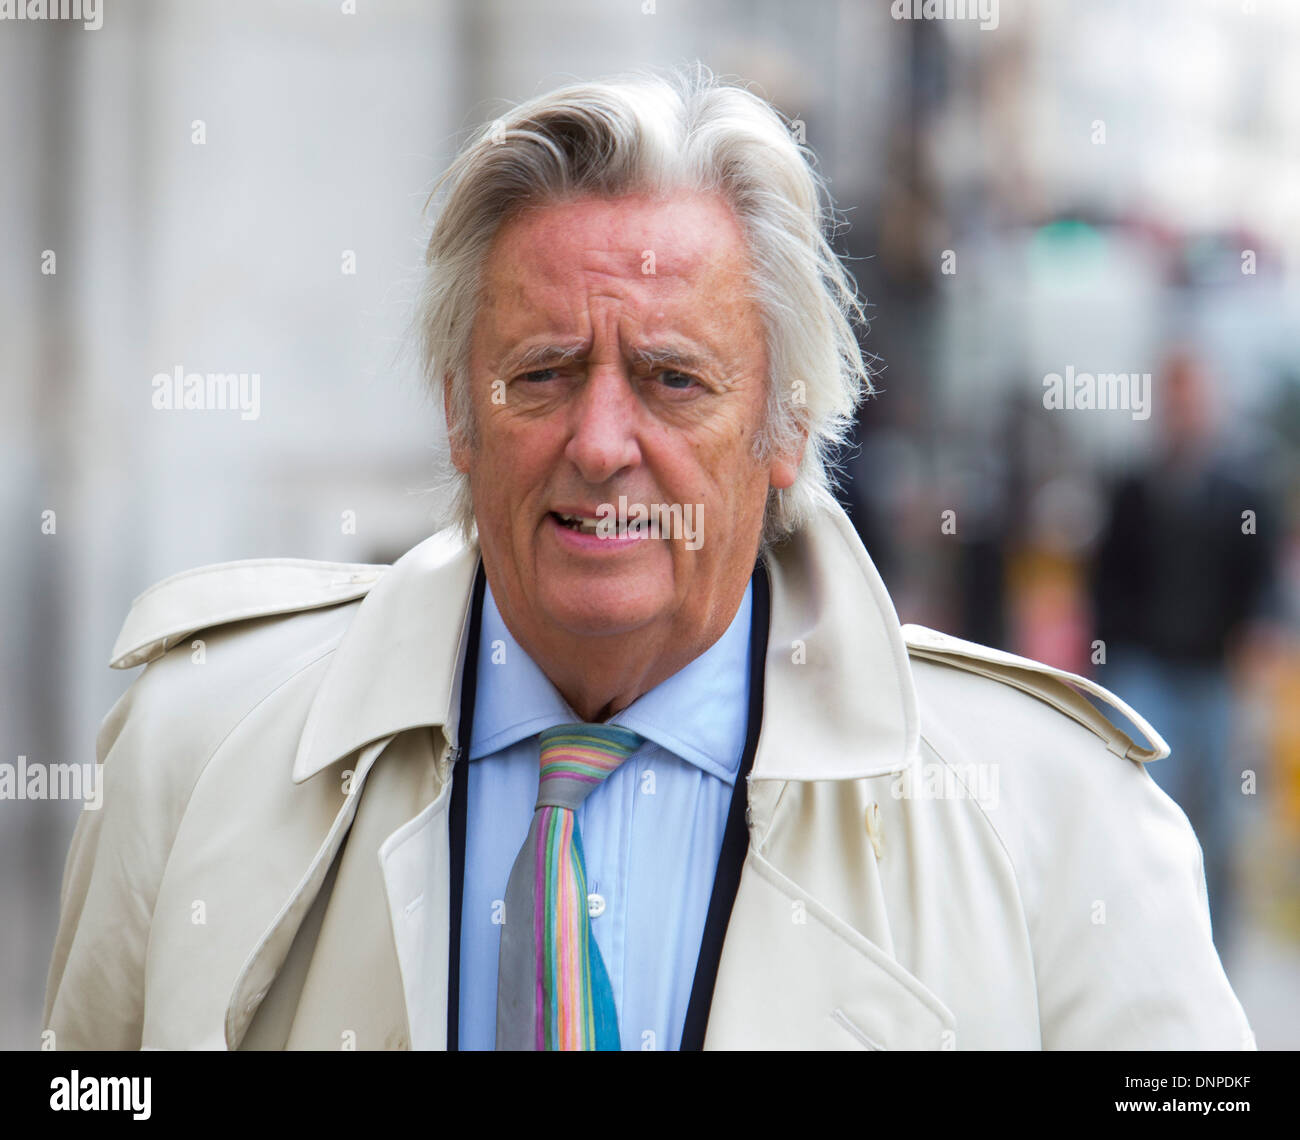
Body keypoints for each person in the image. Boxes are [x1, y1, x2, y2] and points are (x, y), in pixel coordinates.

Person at [43, 68, 1251, 1051]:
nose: (601, 444)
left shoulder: (1056, 814)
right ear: (461, 418)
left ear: (783, 430)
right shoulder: (193, 751)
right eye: (543, 375)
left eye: (674, 380)